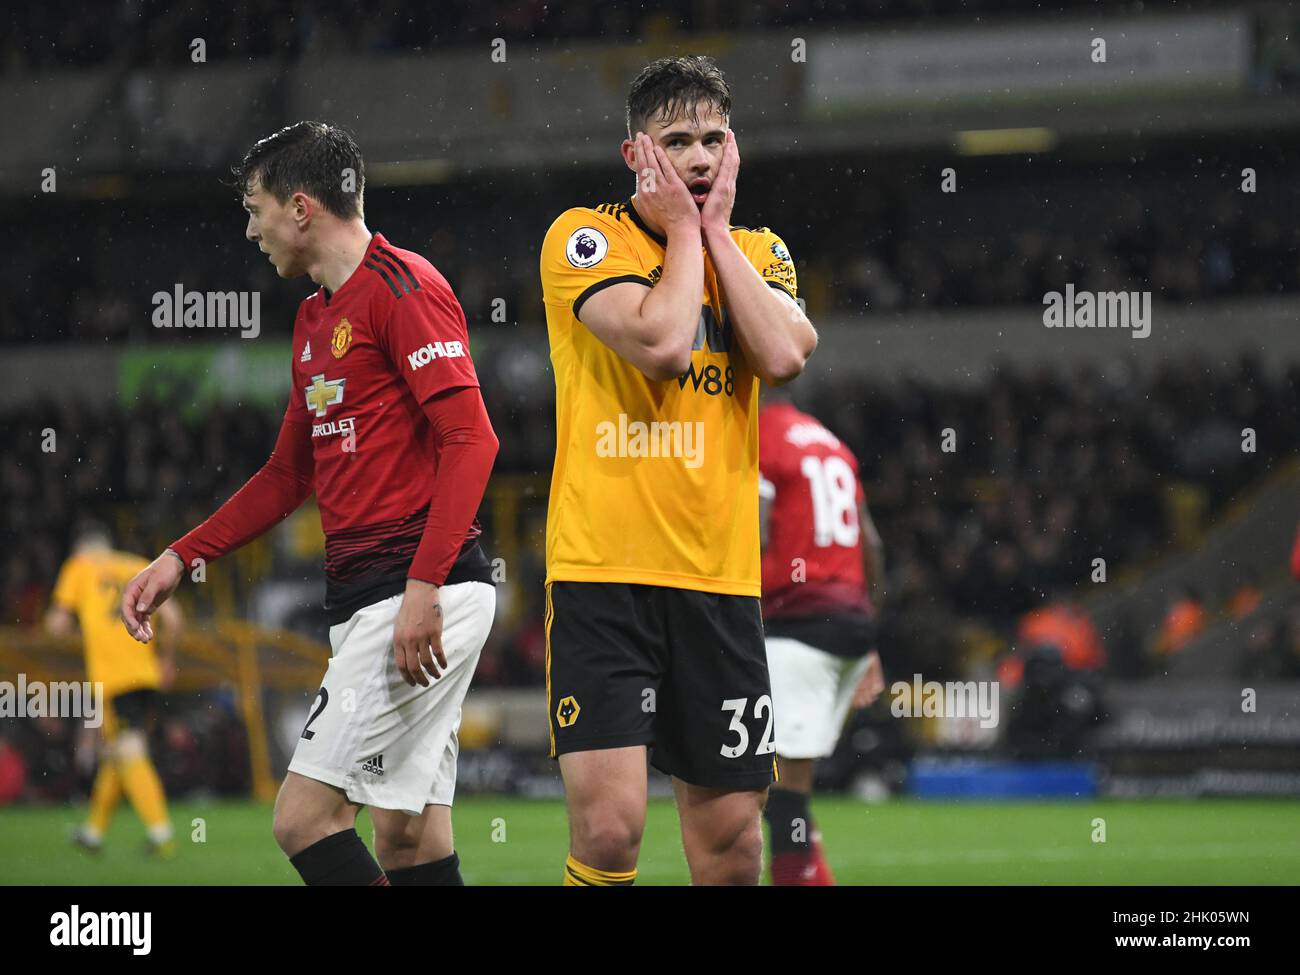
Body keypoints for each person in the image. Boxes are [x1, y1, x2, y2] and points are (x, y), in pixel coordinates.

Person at [122, 121, 499, 886]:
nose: (251, 227)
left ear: (301, 208)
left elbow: (473, 440)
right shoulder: (313, 320)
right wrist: (181, 554)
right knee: (408, 837)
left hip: (418, 588)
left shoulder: (405, 288)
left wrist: (423, 588)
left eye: (256, 207)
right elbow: (288, 477)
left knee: (302, 817)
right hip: (376, 593)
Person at [538, 56, 818, 885]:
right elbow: (662, 346)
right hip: (602, 576)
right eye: (674, 142)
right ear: (635, 156)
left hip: (720, 582)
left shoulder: (762, 252)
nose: (697, 159)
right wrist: (688, 234)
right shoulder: (583, 238)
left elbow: (781, 354)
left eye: (712, 140)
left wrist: (715, 233)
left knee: (734, 844)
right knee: (611, 831)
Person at [758, 393, 884, 885]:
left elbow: (757, 531)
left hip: (797, 631)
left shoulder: (761, 436)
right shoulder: (833, 445)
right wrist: (870, 638)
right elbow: (871, 543)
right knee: (779, 790)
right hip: (847, 626)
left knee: (778, 792)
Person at [46, 521, 180, 856]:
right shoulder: (138, 564)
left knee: (129, 750)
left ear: (82, 549)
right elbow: (175, 619)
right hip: (146, 671)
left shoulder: (79, 566)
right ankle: (94, 833)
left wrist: (49, 625)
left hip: (114, 676)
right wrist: (166, 660)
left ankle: (162, 835)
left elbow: (58, 626)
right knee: (116, 752)